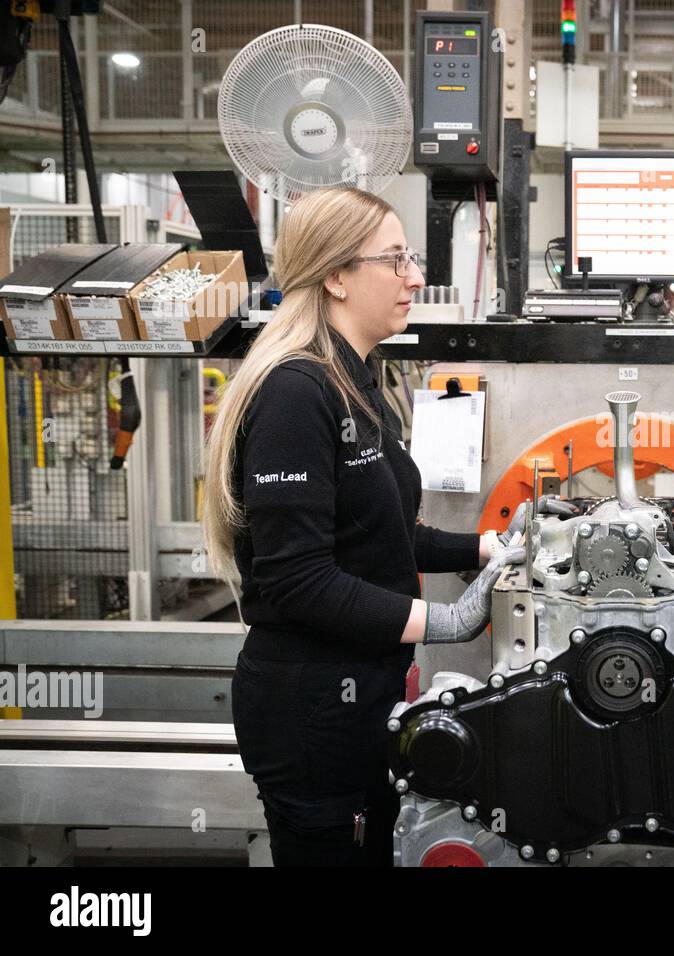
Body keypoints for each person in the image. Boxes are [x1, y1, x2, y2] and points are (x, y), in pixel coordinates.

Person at [202, 186, 524, 866]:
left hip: (361, 696)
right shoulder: (296, 392)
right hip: (313, 711)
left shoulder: (356, 383)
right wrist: (445, 621)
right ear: (337, 276)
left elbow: (375, 532)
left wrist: (487, 548)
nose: (414, 275)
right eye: (396, 258)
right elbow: (297, 579)